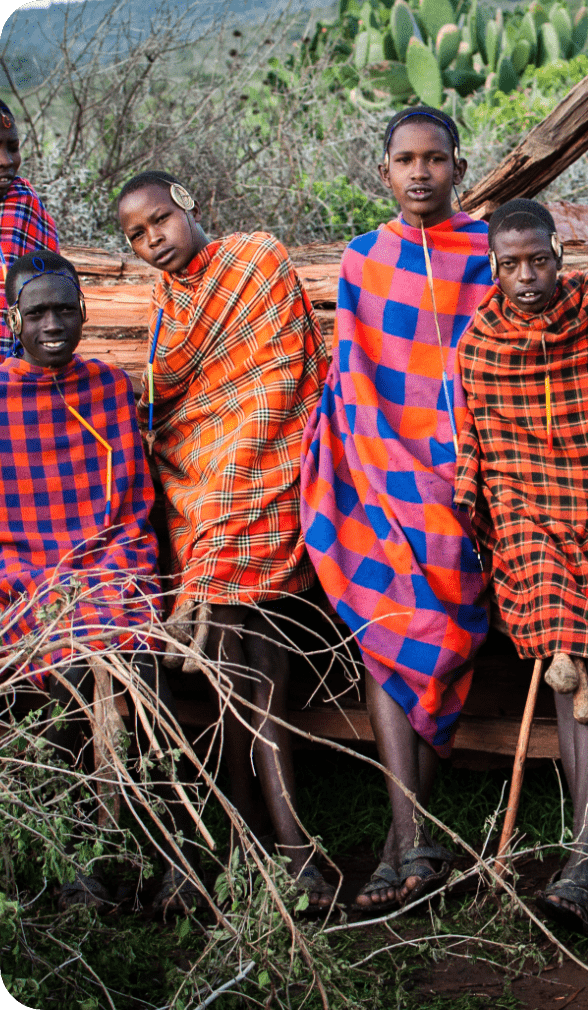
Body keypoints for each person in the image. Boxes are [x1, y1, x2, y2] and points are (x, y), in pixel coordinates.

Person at [116, 172, 333, 906]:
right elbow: (178, 410)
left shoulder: (256, 260)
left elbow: (284, 377)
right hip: (204, 491)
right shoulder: (166, 308)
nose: (155, 242)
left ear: (188, 203)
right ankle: (280, 844)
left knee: (242, 647)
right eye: (138, 236)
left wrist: (243, 466)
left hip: (270, 472)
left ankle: (262, 841)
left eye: (161, 221)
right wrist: (219, 474)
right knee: (240, 656)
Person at [454, 199, 588, 939]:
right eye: (509, 265)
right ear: (492, 266)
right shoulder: (482, 339)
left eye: (537, 260)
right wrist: (515, 520)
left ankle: (581, 858)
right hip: (529, 508)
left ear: (559, 254)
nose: (525, 277)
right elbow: (486, 454)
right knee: (560, 651)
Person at [300, 107, 491, 912]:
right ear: (385, 173)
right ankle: (410, 836)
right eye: (405, 161)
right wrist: (390, 478)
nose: (421, 173)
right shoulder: (364, 260)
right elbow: (357, 384)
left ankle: (399, 847)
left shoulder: (485, 253)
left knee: (446, 614)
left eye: (436, 159)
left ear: (458, 167)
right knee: (386, 624)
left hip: (472, 478)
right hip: (382, 470)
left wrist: (463, 474)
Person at [0, 251, 198, 912]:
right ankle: (81, 857)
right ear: (12, 319)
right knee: (64, 679)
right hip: (24, 576)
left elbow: (134, 506)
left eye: (64, 310)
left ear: (85, 312)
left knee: (148, 679)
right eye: (38, 313)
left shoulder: (109, 388)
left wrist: (125, 574)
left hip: (110, 566)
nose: (53, 324)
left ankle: (175, 849)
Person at [0, 101, 60, 358]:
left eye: (13, 148)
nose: (6, 161)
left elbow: (53, 293)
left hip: (17, 368)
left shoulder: (23, 205)